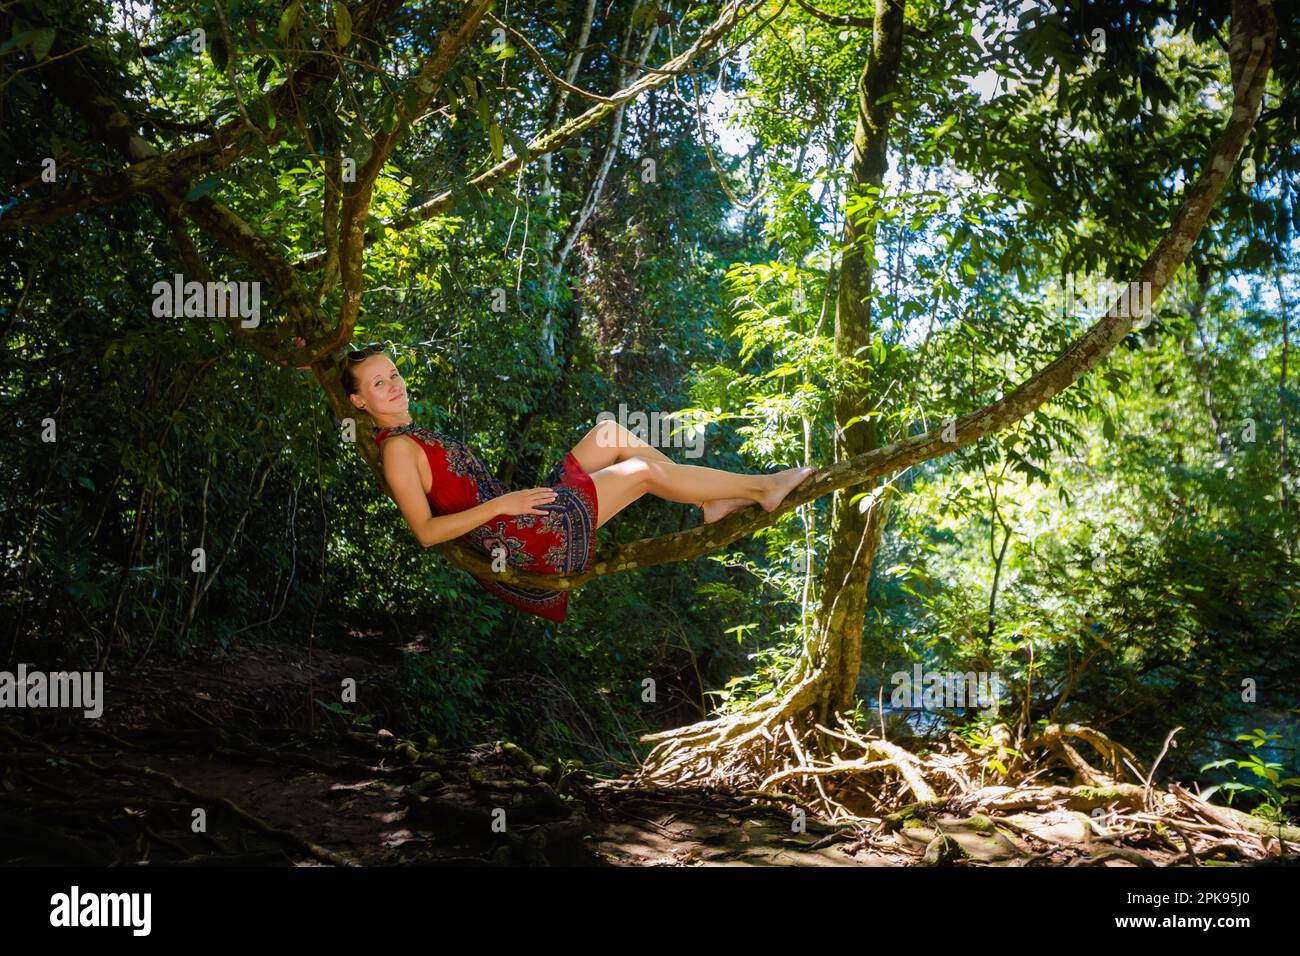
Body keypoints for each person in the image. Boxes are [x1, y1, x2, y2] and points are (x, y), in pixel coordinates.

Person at [343, 345, 815, 623]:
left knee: (609, 433)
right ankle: (761, 489)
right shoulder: (398, 451)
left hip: (519, 512)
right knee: (643, 473)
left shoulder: (413, 433)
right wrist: (502, 505)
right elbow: (426, 532)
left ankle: (711, 502)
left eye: (394, 374)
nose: (394, 384)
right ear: (359, 401)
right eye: (378, 384)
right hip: (520, 535)